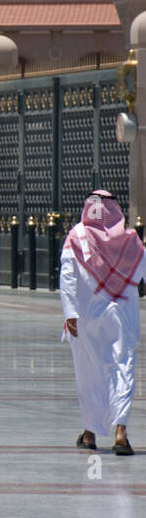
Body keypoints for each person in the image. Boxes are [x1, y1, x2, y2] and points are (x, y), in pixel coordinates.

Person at [62, 190, 144, 456]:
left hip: (87, 316)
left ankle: (90, 433)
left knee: (90, 371)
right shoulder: (130, 240)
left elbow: (68, 276)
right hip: (122, 316)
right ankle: (121, 431)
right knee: (123, 366)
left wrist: (70, 313)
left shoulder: (77, 236)